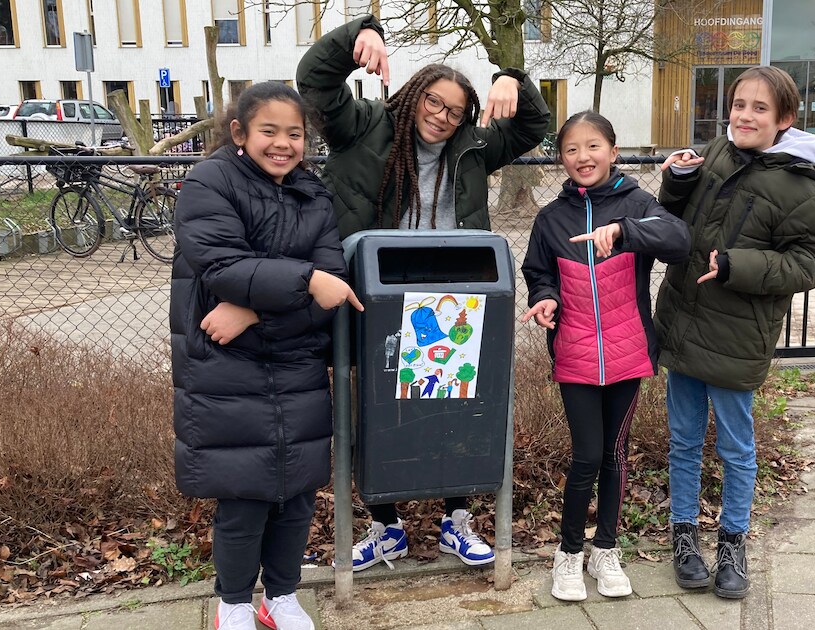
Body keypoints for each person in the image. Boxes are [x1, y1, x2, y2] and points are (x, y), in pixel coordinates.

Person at [297, 14, 551, 571]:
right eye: (434, 103)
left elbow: (536, 125)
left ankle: (454, 520)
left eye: (455, 110)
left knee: (457, 403)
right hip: (379, 295)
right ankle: (385, 526)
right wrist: (356, 36)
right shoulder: (365, 125)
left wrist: (512, 76)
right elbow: (314, 84)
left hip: (452, 298)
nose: (442, 117)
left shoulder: (474, 147)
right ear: (414, 97)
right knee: (372, 407)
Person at [170, 82, 363, 630]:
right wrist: (306, 279)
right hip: (226, 367)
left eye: (295, 134)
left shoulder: (313, 194)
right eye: (269, 132)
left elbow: (335, 288)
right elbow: (221, 266)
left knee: (298, 496)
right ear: (240, 133)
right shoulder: (209, 182)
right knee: (243, 500)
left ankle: (280, 596)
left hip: (295, 363)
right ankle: (231, 603)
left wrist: (254, 310)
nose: (283, 144)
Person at [655, 66, 815, 600]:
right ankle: (683, 535)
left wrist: (738, 265)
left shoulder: (800, 183)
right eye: (738, 104)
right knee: (683, 442)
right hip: (685, 322)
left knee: (736, 448)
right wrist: (675, 182)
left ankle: (732, 541)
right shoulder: (715, 153)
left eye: (759, 108)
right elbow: (672, 223)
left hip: (736, 337)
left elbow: (811, 263)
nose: (745, 115)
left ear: (784, 120)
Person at [520, 111, 689, 601]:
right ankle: (569, 554)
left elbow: (679, 241)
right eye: (571, 149)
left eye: (592, 146)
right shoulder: (551, 219)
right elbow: (538, 272)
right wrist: (545, 297)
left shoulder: (638, 203)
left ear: (613, 152)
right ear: (561, 159)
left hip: (628, 351)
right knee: (587, 454)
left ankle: (606, 550)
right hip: (574, 353)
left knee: (615, 455)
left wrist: (624, 232)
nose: (582, 157)